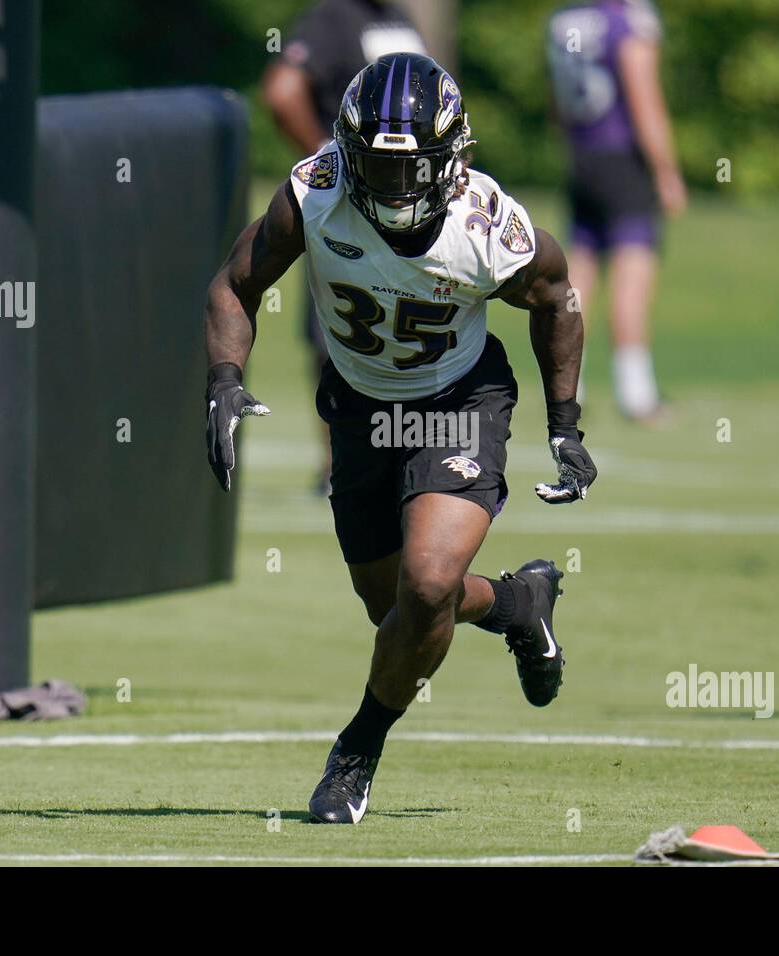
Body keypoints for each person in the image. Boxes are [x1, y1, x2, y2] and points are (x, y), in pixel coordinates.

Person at [204, 53, 598, 824]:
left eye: (410, 170)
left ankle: (356, 751)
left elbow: (559, 298)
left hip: (459, 398)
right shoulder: (314, 194)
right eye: (376, 170)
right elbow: (234, 285)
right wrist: (223, 378)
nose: (391, 189)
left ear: (452, 162)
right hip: (359, 408)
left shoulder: (488, 229)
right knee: (397, 608)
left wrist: (565, 425)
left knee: (424, 586)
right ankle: (519, 602)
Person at [261, 0, 428, 492]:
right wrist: (328, 160)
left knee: (408, 320)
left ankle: (400, 455)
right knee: (342, 330)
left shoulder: (396, 17)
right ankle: (338, 464)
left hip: (411, 205)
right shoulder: (335, 16)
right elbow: (282, 90)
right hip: (356, 203)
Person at [546, 0, 686, 420]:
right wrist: (665, 168)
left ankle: (569, 387)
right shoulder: (627, 18)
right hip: (623, 157)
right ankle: (636, 392)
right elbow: (643, 96)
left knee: (581, 274)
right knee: (632, 271)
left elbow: (557, 102)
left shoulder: (564, 20)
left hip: (582, 155)